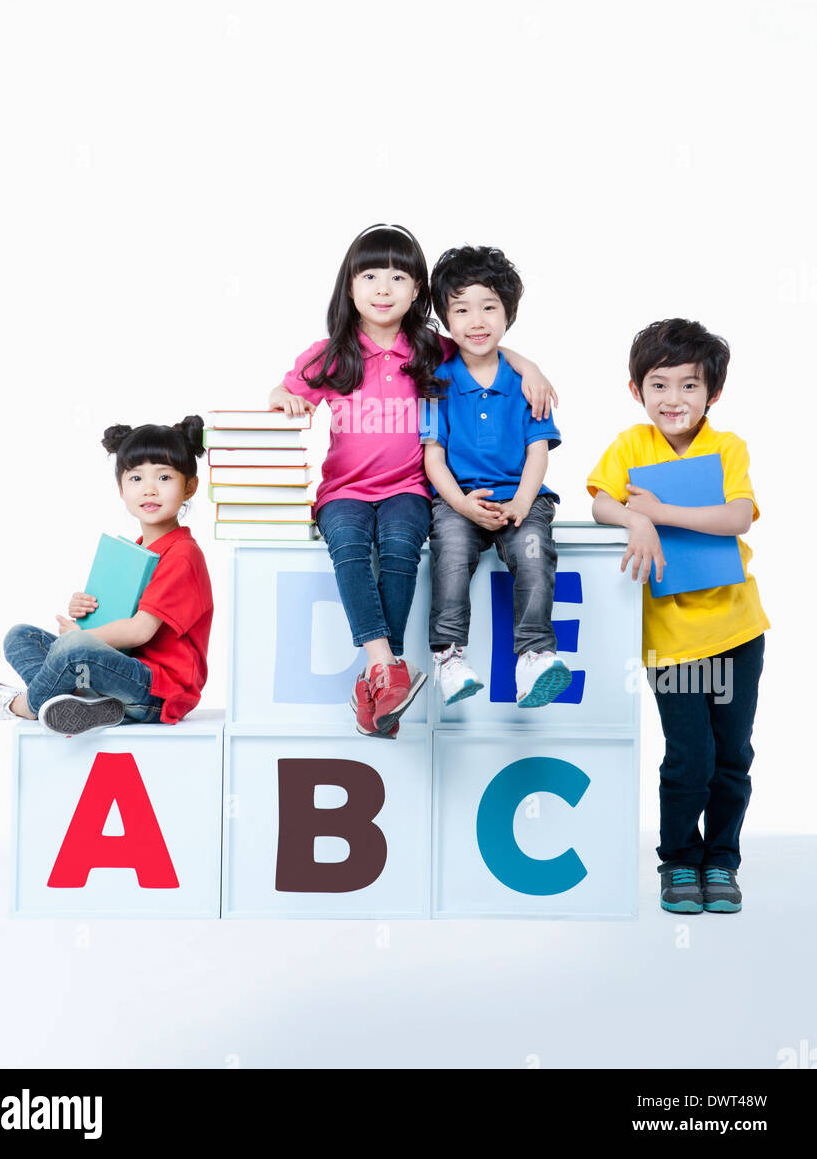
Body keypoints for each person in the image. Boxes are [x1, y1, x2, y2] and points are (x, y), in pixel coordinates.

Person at [269, 223, 556, 737]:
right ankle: (385, 665)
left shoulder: (429, 348)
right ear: (349, 285)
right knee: (350, 547)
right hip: (344, 491)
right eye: (370, 276)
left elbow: (482, 344)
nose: (384, 289)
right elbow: (282, 392)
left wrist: (528, 365)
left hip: (410, 487)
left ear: (418, 289)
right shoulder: (330, 353)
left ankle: (382, 681)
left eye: (398, 277)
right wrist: (284, 399)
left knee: (401, 547)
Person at [586, 319, 769, 914]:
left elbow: (738, 517)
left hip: (737, 629)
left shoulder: (727, 446)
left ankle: (722, 859)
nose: (674, 399)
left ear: (713, 392)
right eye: (659, 384)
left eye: (689, 385)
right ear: (636, 389)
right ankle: (680, 859)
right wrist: (635, 518)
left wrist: (660, 511)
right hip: (670, 638)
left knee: (732, 754)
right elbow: (601, 502)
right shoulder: (631, 444)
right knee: (690, 755)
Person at [0, 416, 213, 737]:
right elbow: (117, 621)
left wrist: (81, 638)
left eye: (164, 477)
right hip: (119, 674)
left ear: (189, 487)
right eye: (136, 478)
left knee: (74, 649)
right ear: (121, 489)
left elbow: (139, 630)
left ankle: (25, 705)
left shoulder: (182, 554)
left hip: (158, 691)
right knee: (20, 637)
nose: (149, 489)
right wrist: (86, 613)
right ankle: (84, 704)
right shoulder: (134, 552)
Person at [420, 245, 571, 709]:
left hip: (521, 497)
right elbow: (433, 458)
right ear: (446, 319)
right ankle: (448, 659)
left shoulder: (527, 383)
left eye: (489, 307)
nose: (476, 321)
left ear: (508, 313)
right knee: (451, 553)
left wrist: (522, 503)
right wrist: (461, 505)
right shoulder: (436, 381)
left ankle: (535, 656)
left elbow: (538, 451)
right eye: (461, 309)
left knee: (533, 551)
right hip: (459, 498)